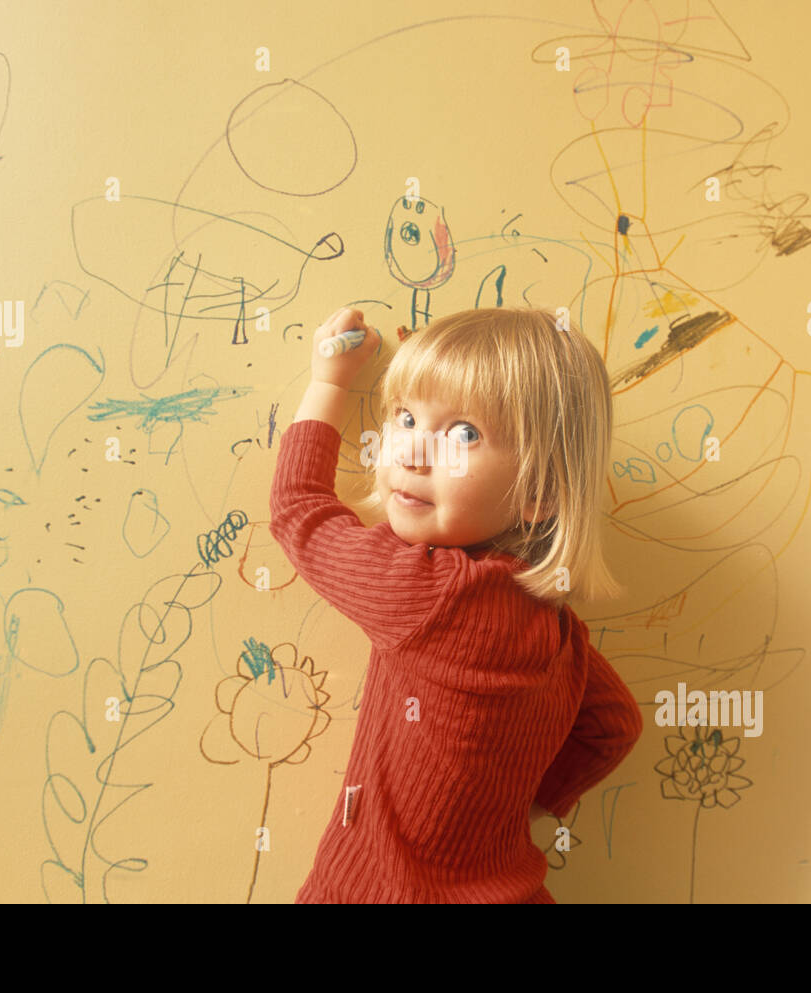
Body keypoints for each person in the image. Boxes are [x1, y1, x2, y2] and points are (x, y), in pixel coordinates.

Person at [269, 305, 642, 903]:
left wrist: (328, 383)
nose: (414, 453)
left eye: (464, 434)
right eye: (406, 417)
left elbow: (299, 510)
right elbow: (612, 726)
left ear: (540, 491)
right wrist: (511, 814)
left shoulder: (426, 592)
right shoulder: (550, 619)